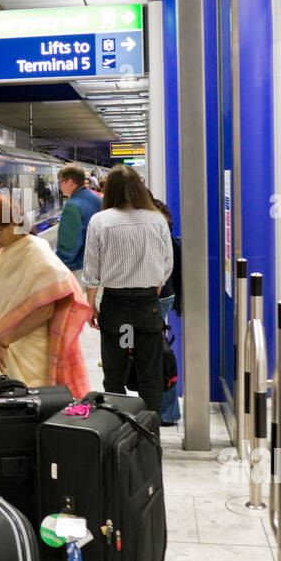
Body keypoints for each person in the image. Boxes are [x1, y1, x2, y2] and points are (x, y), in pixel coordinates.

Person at [82, 165, 173, 416]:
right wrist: (152, 289)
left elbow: (91, 272)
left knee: (114, 374)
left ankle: (118, 428)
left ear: (109, 190)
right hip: (147, 306)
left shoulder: (100, 221)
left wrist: (91, 306)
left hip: (115, 307)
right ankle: (149, 432)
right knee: (150, 375)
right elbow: (167, 266)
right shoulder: (157, 219)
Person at [0, 193, 90, 396]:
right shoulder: (2, 254)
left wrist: (4, 342)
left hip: (29, 349)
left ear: (13, 223)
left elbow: (45, 309)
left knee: (33, 401)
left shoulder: (35, 251)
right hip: (9, 348)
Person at [149, 197, 182, 427]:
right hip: (163, 294)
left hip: (156, 295)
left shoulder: (150, 218)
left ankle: (166, 411)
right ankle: (163, 410)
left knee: (157, 354)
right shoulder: (158, 212)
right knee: (157, 352)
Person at [55, 163, 102, 282]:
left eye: (60, 182)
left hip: (77, 266)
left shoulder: (72, 205)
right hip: (95, 263)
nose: (59, 186)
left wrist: (60, 266)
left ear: (70, 182)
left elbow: (69, 242)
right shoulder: (96, 198)